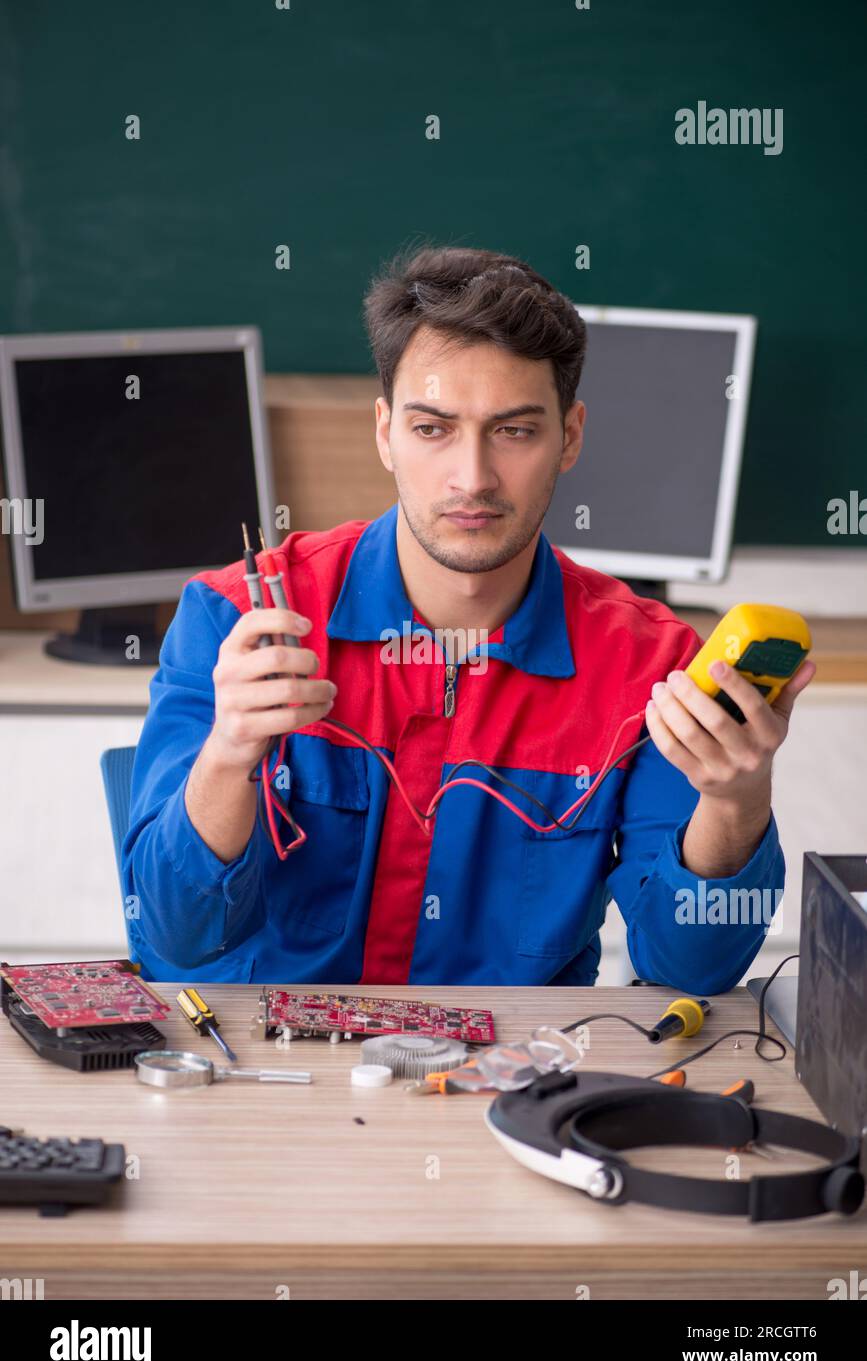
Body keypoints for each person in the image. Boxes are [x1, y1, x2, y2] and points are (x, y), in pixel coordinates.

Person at [122, 244, 813, 988]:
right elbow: (175, 938)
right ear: (385, 431)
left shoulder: (650, 667)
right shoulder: (234, 616)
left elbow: (689, 970)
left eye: (514, 430)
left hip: (508, 1086)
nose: (473, 478)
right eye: (432, 429)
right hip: (270, 1076)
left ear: (570, 437)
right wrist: (229, 754)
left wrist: (735, 802)